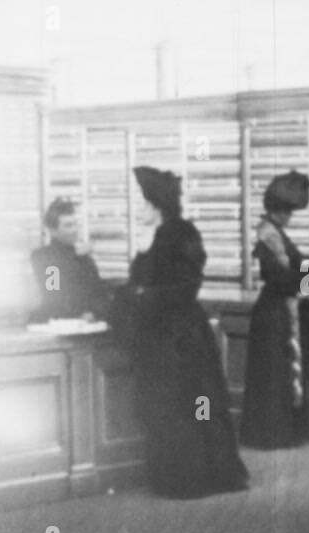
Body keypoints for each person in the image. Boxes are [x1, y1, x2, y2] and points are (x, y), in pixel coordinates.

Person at [112, 165, 248, 498]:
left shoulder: (181, 233)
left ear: (154, 203)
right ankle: (179, 476)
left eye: (142, 202)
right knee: (168, 408)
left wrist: (142, 295)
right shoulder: (153, 236)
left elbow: (187, 286)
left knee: (193, 405)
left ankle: (200, 477)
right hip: (159, 336)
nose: (138, 209)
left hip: (182, 337)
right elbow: (142, 283)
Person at [239, 170, 309, 449]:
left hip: (277, 311)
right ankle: (271, 435)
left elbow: (298, 263)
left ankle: (280, 432)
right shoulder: (267, 238)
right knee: (272, 376)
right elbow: (279, 278)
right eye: (288, 211)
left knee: (277, 374)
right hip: (272, 313)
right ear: (278, 210)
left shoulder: (277, 233)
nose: (290, 217)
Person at [29, 198, 108, 321]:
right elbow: (53, 293)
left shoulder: (84, 258)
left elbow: (100, 294)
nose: (75, 230)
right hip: (55, 323)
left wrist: (94, 313)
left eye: (75, 224)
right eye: (68, 225)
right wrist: (76, 258)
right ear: (53, 231)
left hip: (84, 324)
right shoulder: (43, 257)